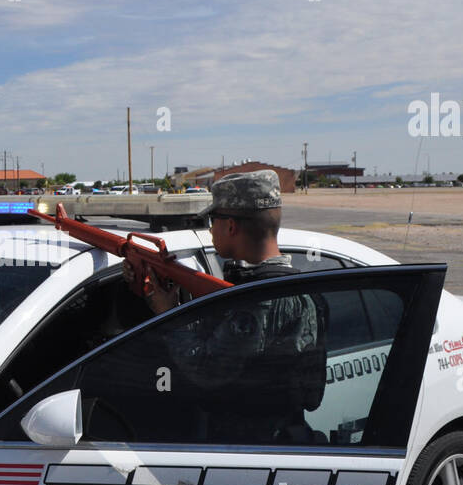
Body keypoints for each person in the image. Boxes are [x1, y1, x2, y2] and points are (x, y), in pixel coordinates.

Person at [125, 169, 328, 444]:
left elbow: (205, 368)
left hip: (249, 449)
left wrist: (167, 313)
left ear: (231, 226)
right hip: (278, 441)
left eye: (213, 219)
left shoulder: (258, 302)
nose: (210, 229)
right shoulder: (301, 290)